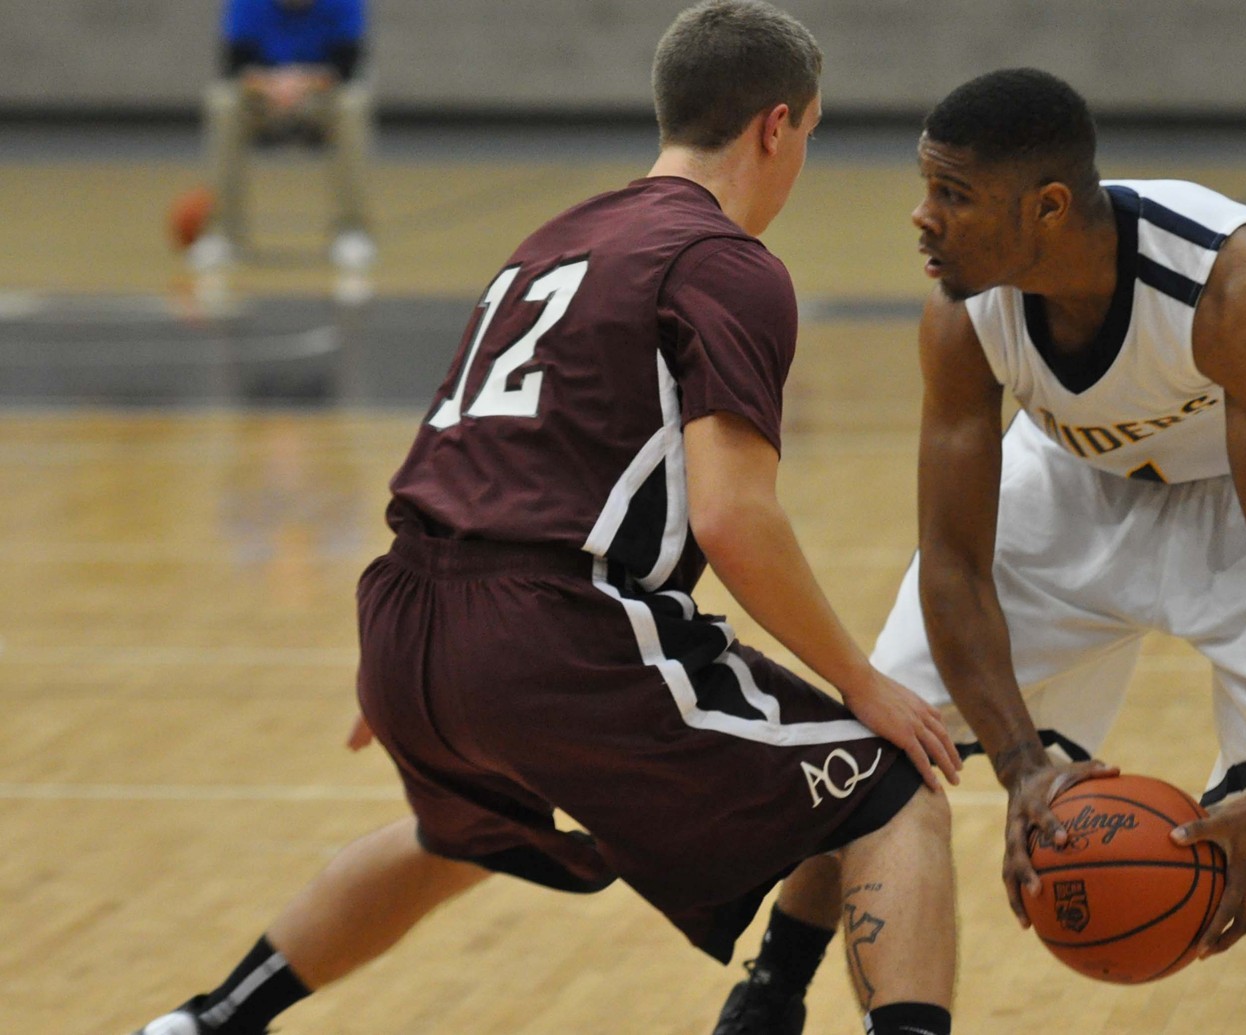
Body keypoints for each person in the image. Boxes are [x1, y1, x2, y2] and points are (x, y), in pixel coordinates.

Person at [127, 5, 965, 1035]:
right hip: (553, 636)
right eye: (813, 136)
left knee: (460, 837)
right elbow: (734, 517)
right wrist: (863, 679)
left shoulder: (554, 239)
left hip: (410, 617)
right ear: (775, 126)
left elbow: (452, 448)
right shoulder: (726, 263)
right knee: (891, 788)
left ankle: (203, 1025)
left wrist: (413, 667)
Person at [711, 68, 1246, 1035]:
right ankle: (772, 988)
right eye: (927, 190)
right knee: (887, 731)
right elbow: (953, 560)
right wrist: (1021, 764)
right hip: (1081, 476)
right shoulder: (964, 312)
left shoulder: (1228, 278)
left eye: (951, 196)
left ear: (1046, 207)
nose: (922, 219)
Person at [189, 0, 375, 272]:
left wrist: (301, 83)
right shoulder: (246, 4)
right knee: (223, 102)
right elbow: (233, 63)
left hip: (319, 97)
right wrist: (271, 85)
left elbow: (347, 65)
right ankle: (223, 234)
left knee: (353, 104)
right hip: (262, 97)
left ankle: (352, 230)